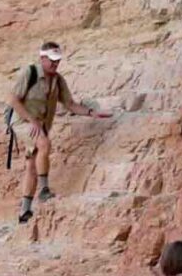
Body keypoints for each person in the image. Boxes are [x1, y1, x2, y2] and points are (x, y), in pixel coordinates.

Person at [9, 41, 111, 224]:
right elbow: (14, 100)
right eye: (52, 60)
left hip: (40, 126)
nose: (55, 64)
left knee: (32, 163)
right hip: (22, 122)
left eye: (58, 60)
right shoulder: (30, 73)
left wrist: (91, 113)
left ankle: (24, 211)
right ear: (42, 58)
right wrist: (31, 120)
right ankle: (44, 190)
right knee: (44, 144)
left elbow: (70, 104)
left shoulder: (58, 80)